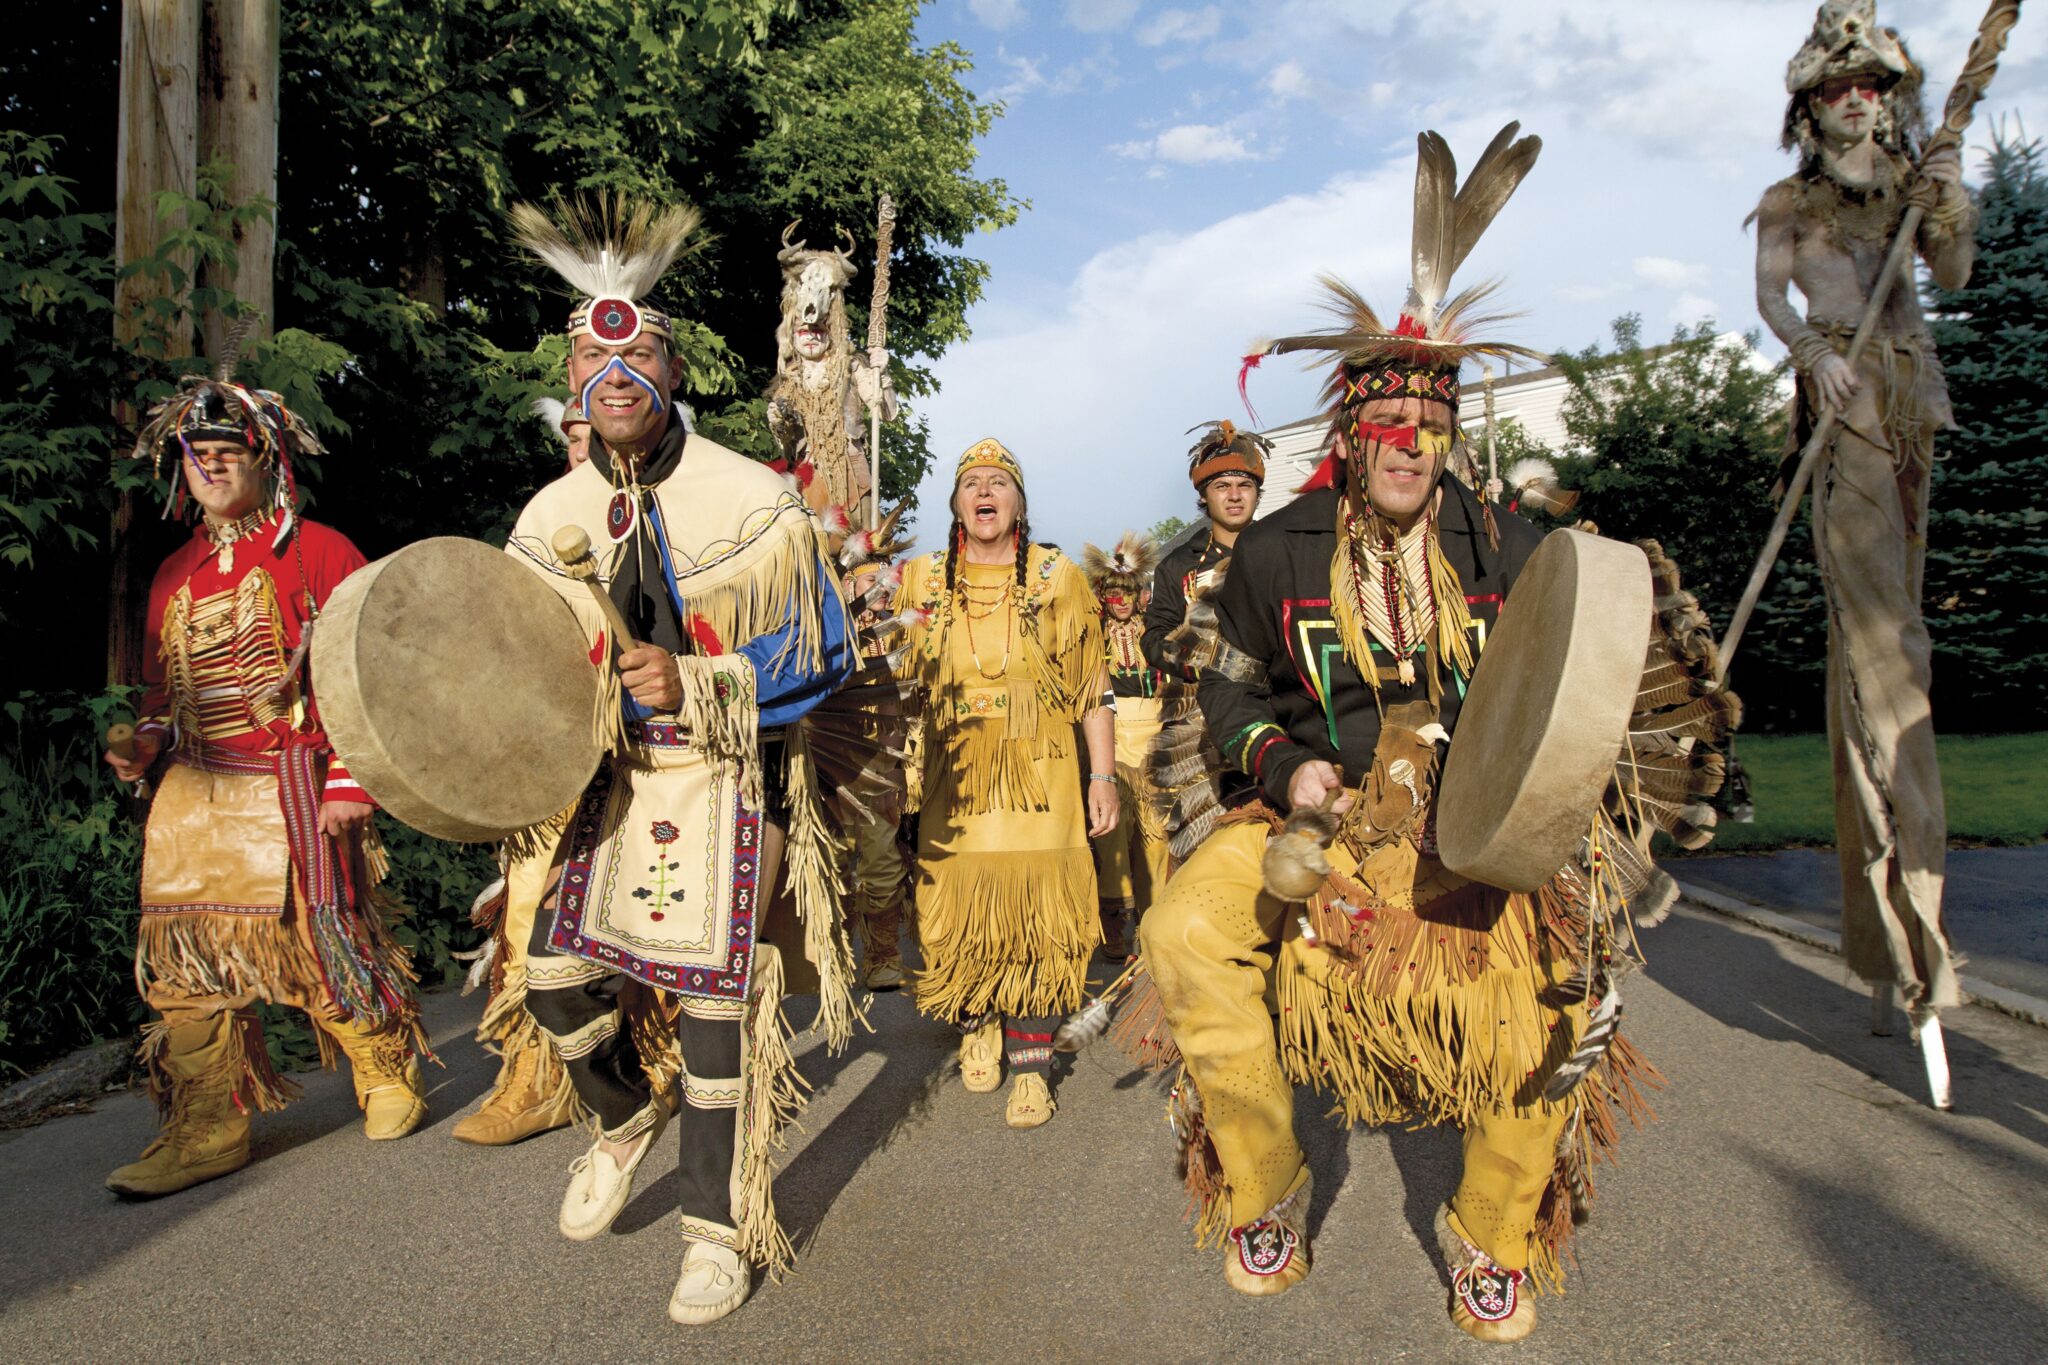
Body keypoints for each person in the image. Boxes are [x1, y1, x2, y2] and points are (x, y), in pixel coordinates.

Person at [1140, 124, 1725, 1341]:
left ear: (1450, 433)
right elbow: (1224, 695)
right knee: (1182, 933)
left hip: (1470, 825)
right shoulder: (1275, 548)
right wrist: (1289, 766)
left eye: (1431, 426)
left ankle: (1490, 1232)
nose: (1410, 446)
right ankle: (1264, 1185)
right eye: (1388, 426)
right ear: (1350, 432)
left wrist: (1572, 763)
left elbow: (1573, 675)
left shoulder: (1505, 547)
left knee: (1558, 990)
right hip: (1312, 814)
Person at [503, 197, 858, 1324]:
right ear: (573, 382)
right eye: (593, 359)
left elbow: (822, 655)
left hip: (720, 782)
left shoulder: (752, 502)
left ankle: (716, 1227)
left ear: (669, 370)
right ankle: (618, 1118)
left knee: (714, 1019)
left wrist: (697, 681)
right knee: (552, 982)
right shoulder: (548, 513)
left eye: (637, 353)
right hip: (606, 788)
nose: (615, 373)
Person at [104, 365, 428, 1198]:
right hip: (194, 795)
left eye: (227, 450)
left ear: (266, 457)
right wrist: (141, 744)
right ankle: (208, 1121)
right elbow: (158, 692)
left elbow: (368, 677)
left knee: (316, 945)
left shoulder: (320, 552)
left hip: (291, 781)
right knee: (184, 971)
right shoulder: (174, 573)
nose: (208, 467)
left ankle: (384, 1068)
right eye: (193, 452)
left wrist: (351, 779)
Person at [1753, 0, 1975, 1024]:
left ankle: (1905, 927)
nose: (1855, 102)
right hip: (1844, 414)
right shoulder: (1784, 203)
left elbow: (1954, 273)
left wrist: (1949, 202)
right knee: (1879, 647)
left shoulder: (1905, 190)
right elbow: (1770, 303)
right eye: (1838, 89)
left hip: (1909, 405)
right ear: (1809, 105)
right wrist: (1812, 355)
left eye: (1872, 89)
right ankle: (1901, 918)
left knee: (1903, 639)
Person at [892, 439, 1117, 1128]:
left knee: (1039, 915)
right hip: (953, 774)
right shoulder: (922, 579)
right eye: (972, 483)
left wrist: (1102, 774)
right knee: (955, 911)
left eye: (1000, 483)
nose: (985, 492)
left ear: (1020, 502)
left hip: (1040, 771)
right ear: (957, 503)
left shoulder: (1057, 576)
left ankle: (1031, 1057)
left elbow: (1090, 687)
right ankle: (978, 1020)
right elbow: (896, 684)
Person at [1142, 421, 1271, 861]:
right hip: (1198, 727)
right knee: (1203, 851)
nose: (1234, 495)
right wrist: (1204, 660)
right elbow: (1154, 636)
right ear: (1204, 495)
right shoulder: (1178, 565)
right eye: (1222, 485)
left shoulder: (1282, 551)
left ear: (1256, 492)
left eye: (1243, 485)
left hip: (1276, 717)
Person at [1081, 532, 1167, 961]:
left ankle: (1153, 922)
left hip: (1154, 740)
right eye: (1112, 593)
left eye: (1127, 592)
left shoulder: (1156, 634)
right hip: (1112, 743)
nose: (1120, 601)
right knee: (1112, 838)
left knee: (1156, 838)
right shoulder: (1091, 638)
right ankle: (1113, 925)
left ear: (1140, 594)